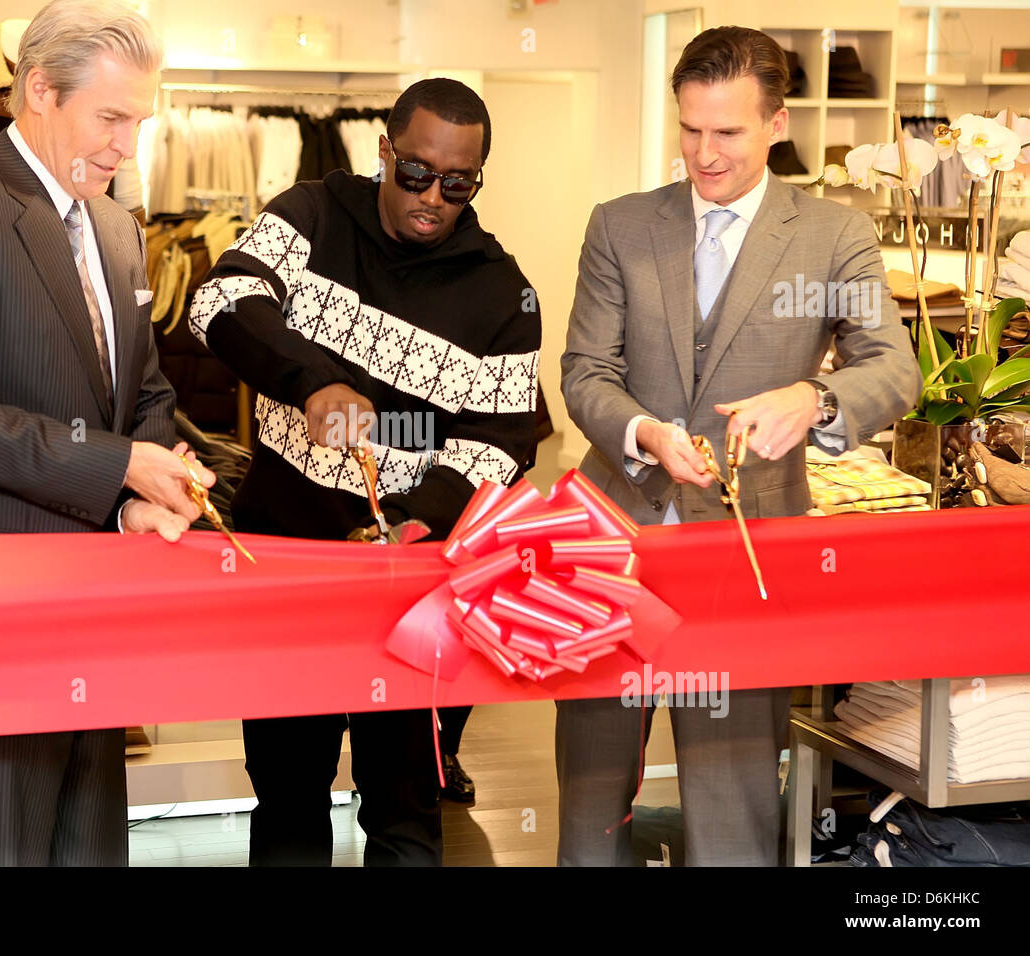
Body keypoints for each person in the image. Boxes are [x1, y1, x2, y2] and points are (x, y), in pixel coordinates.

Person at [557, 25, 920, 866]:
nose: (704, 153)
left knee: (734, 811)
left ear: (777, 123)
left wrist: (815, 396)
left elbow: (892, 368)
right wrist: (642, 431)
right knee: (589, 799)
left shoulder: (834, 236)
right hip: (614, 544)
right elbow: (584, 371)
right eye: (689, 129)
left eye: (727, 132)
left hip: (750, 551)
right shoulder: (620, 225)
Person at [0, 0, 213, 866]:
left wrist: (146, 482)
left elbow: (142, 387)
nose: (126, 146)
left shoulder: (117, 229)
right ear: (38, 91)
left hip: (97, 605)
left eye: (139, 122)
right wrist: (117, 468)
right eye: (110, 118)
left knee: (89, 847)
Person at [190, 78, 540, 865]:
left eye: (459, 184)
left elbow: (503, 440)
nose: (433, 198)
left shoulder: (502, 292)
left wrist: (415, 519)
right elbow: (219, 299)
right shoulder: (312, 213)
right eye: (416, 173)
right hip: (289, 557)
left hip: (415, 580)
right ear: (383, 151)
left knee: (406, 807)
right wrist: (309, 380)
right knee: (286, 794)